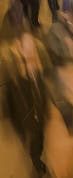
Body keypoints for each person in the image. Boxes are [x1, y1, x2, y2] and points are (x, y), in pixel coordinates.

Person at [0, 25, 52, 177]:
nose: (32, 50)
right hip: (25, 123)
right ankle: (36, 164)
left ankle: (38, 160)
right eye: (28, 47)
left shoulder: (39, 66)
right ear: (19, 48)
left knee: (41, 142)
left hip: (40, 117)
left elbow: (46, 90)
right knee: (32, 146)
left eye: (33, 46)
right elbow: (8, 103)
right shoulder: (12, 73)